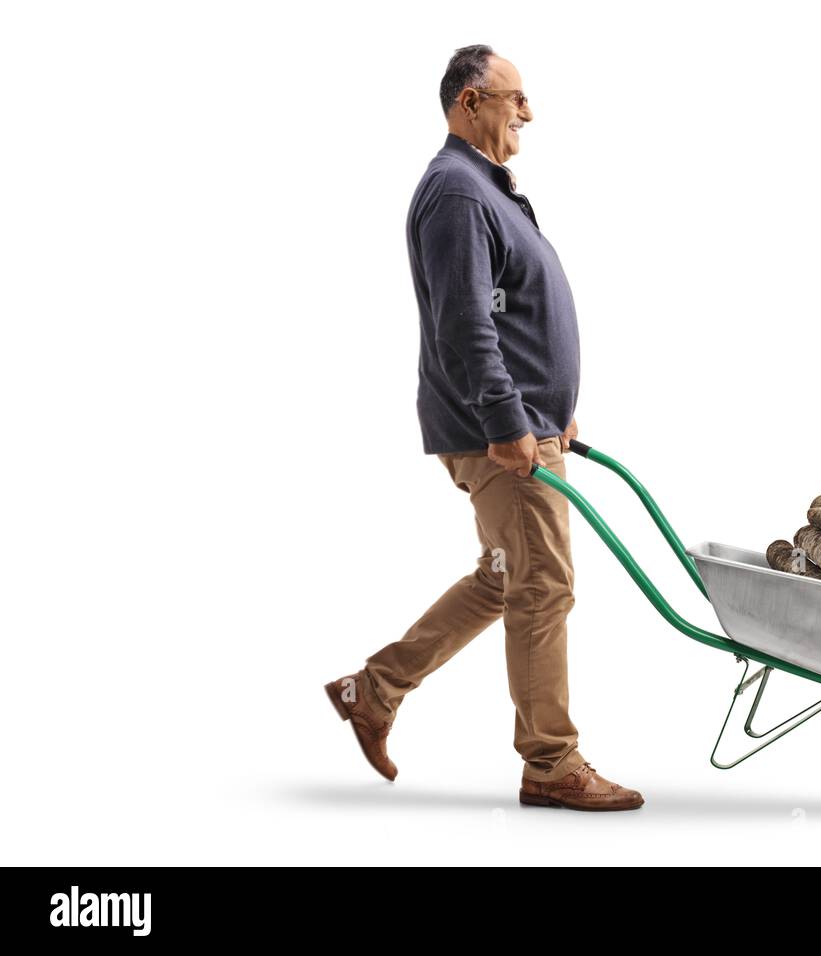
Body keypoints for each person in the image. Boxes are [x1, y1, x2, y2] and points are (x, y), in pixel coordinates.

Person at [324, 44, 643, 811]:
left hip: (525, 424)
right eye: (515, 97)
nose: (527, 111)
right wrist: (508, 418)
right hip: (503, 436)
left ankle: (376, 688)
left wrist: (549, 397)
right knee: (544, 585)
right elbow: (464, 324)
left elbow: (504, 310)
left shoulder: (479, 189)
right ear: (470, 102)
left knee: (506, 576)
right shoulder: (460, 193)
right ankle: (552, 762)